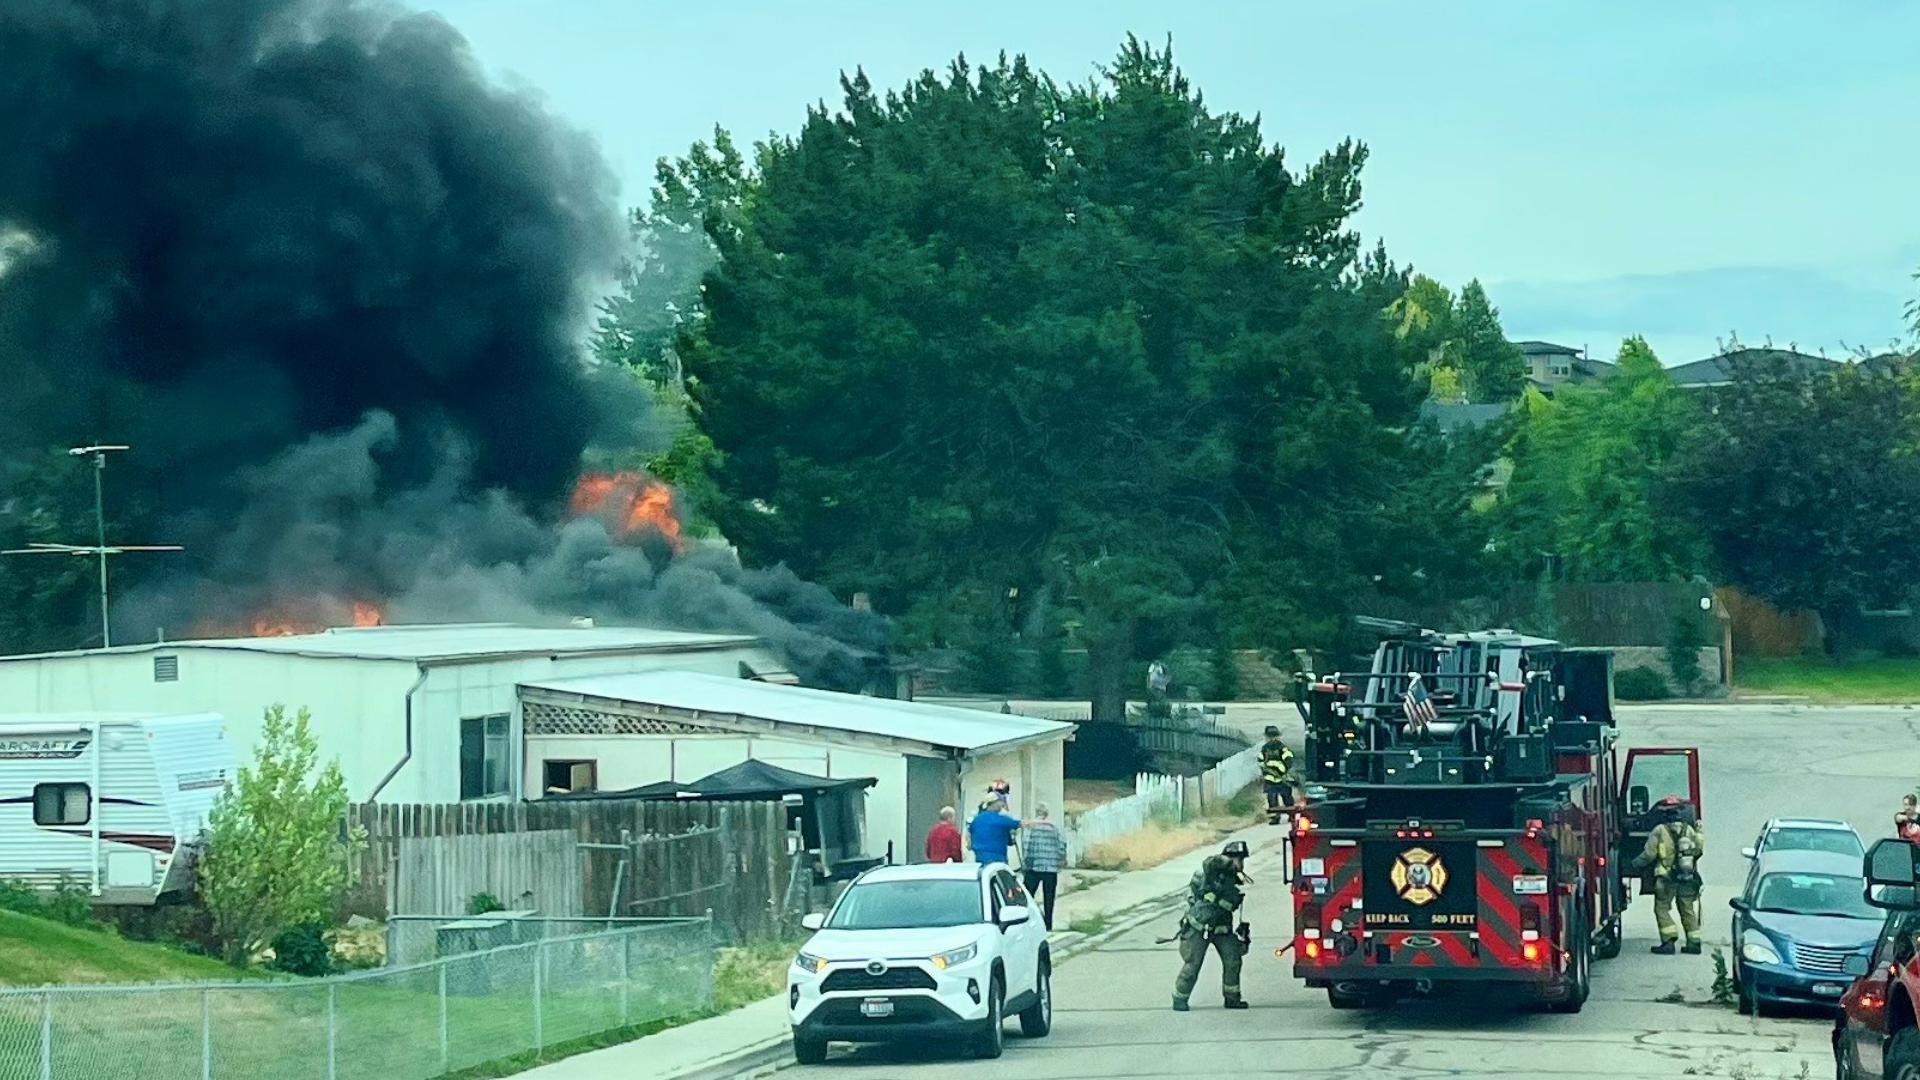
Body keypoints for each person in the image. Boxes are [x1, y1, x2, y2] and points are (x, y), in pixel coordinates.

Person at [1172, 840, 1251, 1011]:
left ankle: (1232, 998)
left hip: (1222, 927)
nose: (1241, 864)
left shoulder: (1231, 880)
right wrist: (1227, 861)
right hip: (1200, 926)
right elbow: (1210, 862)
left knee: (1233, 960)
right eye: (1238, 859)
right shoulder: (1213, 870)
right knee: (1193, 964)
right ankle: (1180, 998)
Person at [1633, 796, 1705, 955]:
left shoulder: (1659, 830)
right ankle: (1694, 943)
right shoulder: (1689, 830)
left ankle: (1668, 942)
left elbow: (1649, 855)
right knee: (1687, 909)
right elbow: (1698, 850)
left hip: (1666, 878)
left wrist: (1634, 864)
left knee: (1662, 908)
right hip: (1688, 876)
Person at [1020, 804, 1066, 929]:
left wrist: (1025, 864)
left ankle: (1026, 921)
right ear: (1046, 814)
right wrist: (1060, 861)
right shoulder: (1054, 828)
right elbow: (1062, 845)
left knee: (1028, 896)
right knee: (1049, 897)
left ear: (1036, 813)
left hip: (1034, 867)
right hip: (1051, 868)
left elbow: (1027, 846)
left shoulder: (1032, 827)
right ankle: (1048, 923)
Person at [1258, 726, 1297, 825]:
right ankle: (1275, 817)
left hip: (1282, 778)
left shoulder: (1282, 748)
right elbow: (1260, 760)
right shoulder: (1265, 749)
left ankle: (1291, 815)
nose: (1272, 739)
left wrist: (1282, 771)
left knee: (1287, 797)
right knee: (1272, 799)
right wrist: (1265, 769)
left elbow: (1289, 760)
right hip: (1270, 779)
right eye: (1270, 737)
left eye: (1274, 736)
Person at [968, 796, 1021, 866]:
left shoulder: (976, 820)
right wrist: (1039, 822)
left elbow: (970, 836)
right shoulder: (1000, 819)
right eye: (999, 803)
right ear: (993, 803)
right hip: (997, 857)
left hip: (979, 857)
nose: (1001, 806)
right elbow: (1019, 824)